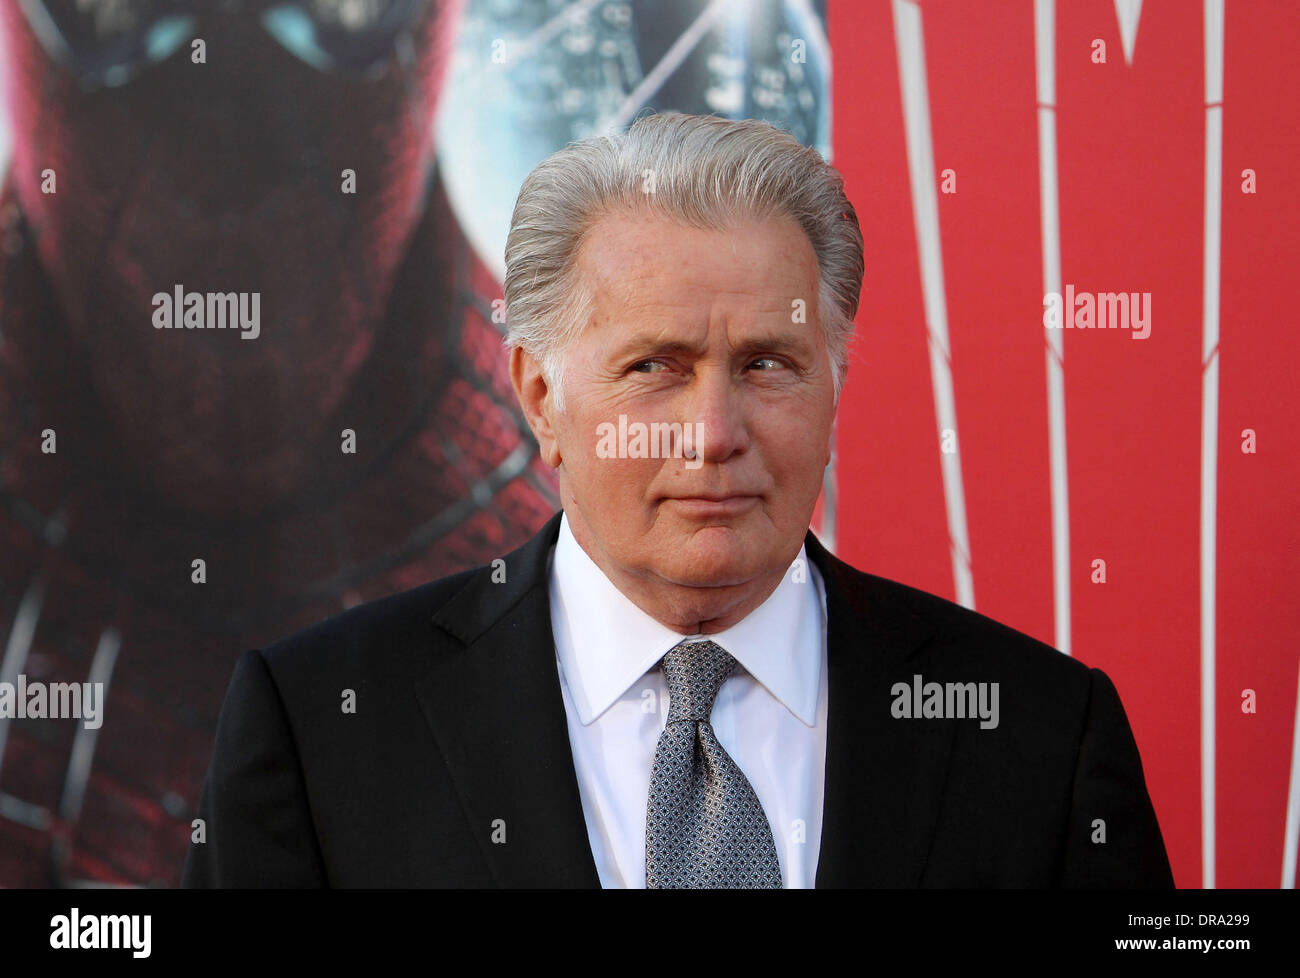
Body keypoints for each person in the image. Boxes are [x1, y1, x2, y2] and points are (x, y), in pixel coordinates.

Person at [182, 112, 1174, 888]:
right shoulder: (321, 733)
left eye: (768, 365)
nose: (710, 431)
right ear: (540, 396)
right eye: (654, 366)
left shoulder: (1039, 733)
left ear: (836, 387)